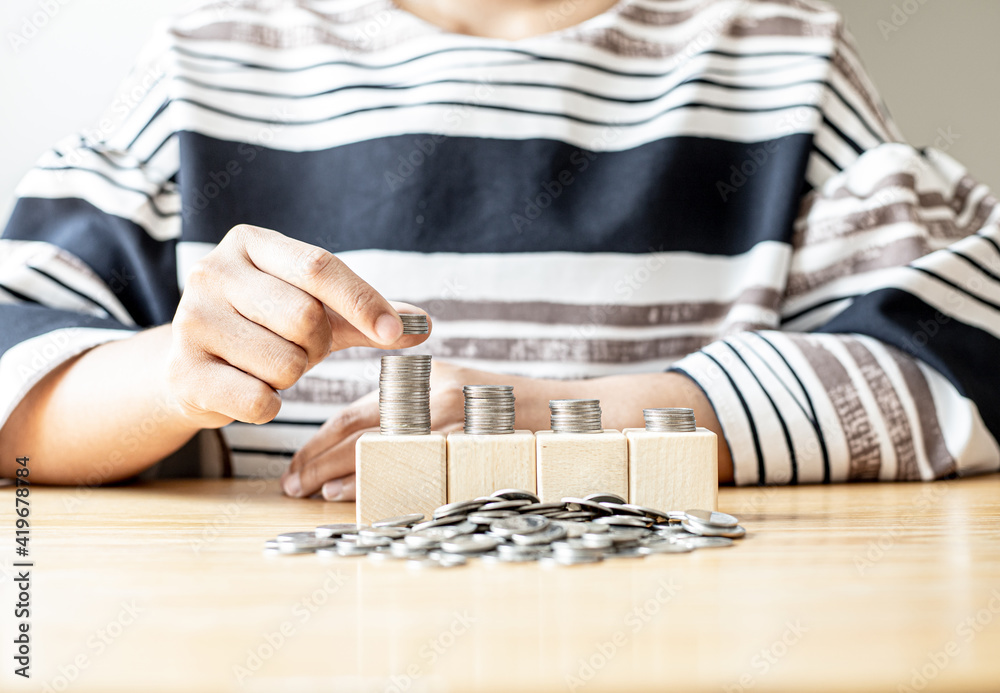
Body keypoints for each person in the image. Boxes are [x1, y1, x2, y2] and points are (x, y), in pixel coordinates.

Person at [1, 0, 998, 500]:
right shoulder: (203, 64)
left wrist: (585, 430)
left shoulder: (787, 62)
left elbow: (954, 358)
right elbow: (15, 377)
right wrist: (171, 382)